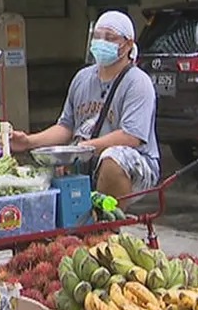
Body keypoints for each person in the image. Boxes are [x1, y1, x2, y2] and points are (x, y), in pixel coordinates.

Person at [9, 10, 159, 201]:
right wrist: (28, 142)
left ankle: (107, 221)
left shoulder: (138, 82)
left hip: (134, 165)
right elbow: (66, 126)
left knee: (113, 158)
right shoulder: (82, 78)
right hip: (86, 159)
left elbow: (131, 136)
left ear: (128, 44)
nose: (101, 42)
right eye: (97, 37)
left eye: (110, 38)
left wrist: (82, 149)